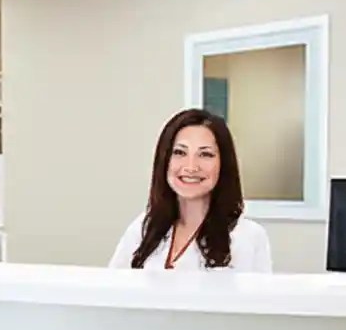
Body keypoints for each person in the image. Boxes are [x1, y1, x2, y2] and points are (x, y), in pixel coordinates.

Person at [108, 108, 272, 272]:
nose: (191, 167)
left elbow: (254, 297)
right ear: (165, 160)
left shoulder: (247, 237)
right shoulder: (144, 227)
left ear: (224, 164)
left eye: (205, 154)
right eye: (180, 152)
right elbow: (113, 289)